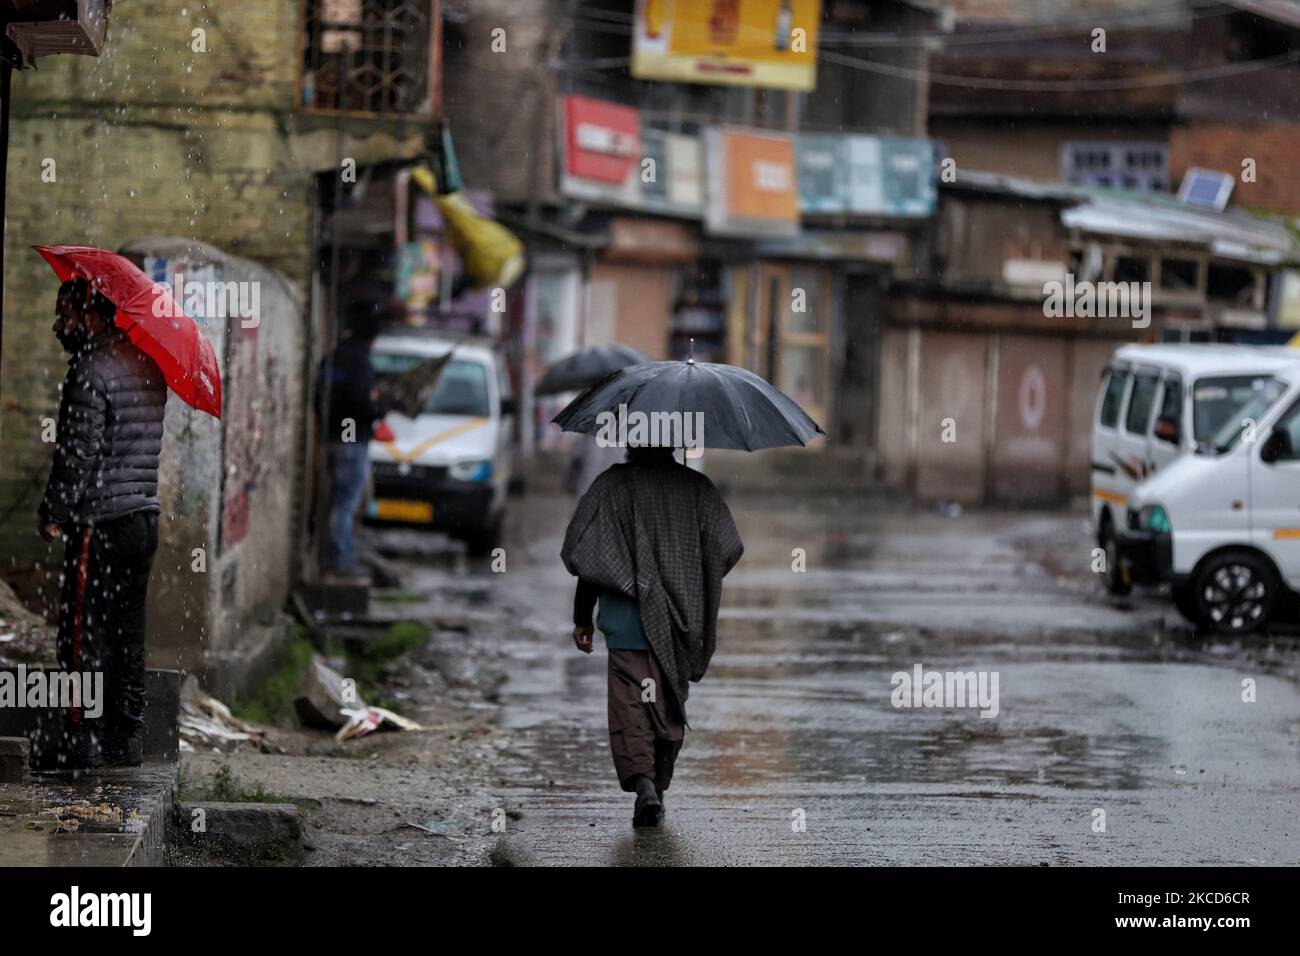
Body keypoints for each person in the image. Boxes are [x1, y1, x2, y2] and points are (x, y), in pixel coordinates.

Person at [561, 444, 744, 826]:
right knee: (666, 704)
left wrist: (582, 618)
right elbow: (727, 548)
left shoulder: (611, 487)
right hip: (680, 625)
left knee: (631, 704)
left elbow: (590, 559)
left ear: (631, 444)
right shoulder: (698, 490)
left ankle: (643, 784)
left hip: (626, 625)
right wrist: (691, 579)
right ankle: (655, 786)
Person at [38, 278, 166, 769]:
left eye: (64, 315)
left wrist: (54, 511)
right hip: (142, 520)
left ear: (90, 317)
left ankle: (79, 740)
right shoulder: (148, 363)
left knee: (80, 631)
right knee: (127, 632)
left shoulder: (89, 370)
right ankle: (124, 739)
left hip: (101, 523)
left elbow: (77, 453)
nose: (57, 325)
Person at [317, 306, 383, 578]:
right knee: (345, 503)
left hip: (331, 438)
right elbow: (361, 402)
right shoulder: (362, 362)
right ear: (372, 339)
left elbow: (319, 395)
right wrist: (378, 410)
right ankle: (340, 560)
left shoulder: (333, 357)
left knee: (335, 500)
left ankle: (337, 556)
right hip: (352, 441)